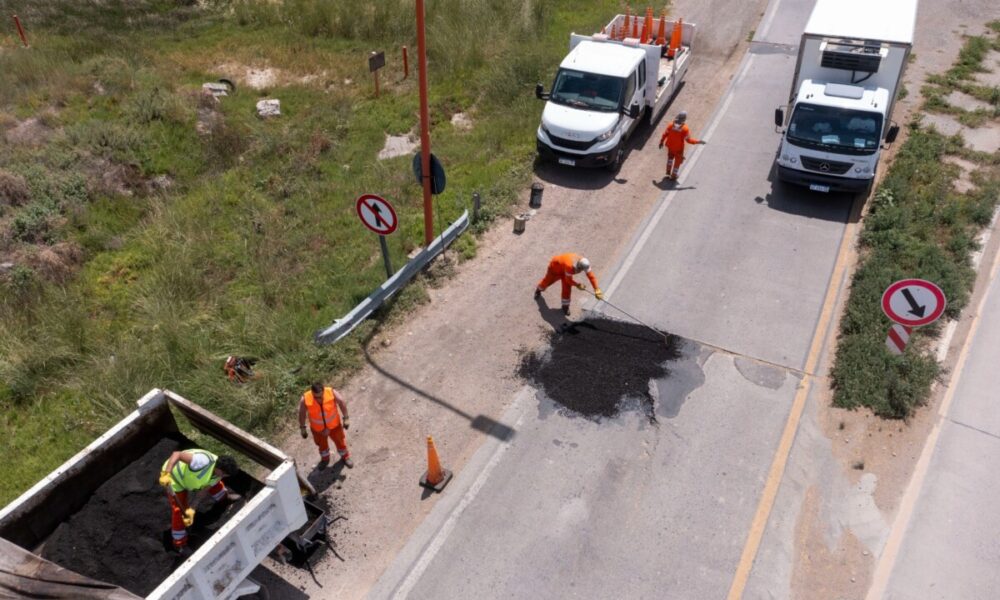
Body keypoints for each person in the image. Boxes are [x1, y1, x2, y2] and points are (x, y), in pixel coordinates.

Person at [159, 450, 240, 551]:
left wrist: (192, 509)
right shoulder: (201, 461)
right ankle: (179, 542)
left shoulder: (218, 473)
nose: (223, 476)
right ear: (219, 468)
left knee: (215, 485)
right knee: (179, 511)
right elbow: (177, 454)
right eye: (223, 474)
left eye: (225, 475)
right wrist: (166, 473)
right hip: (174, 478)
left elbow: (202, 492)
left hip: (192, 481)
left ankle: (225, 498)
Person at [299, 382, 353, 469]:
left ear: (323, 391)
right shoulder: (305, 398)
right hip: (318, 429)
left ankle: (345, 457)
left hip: (334, 426)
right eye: (315, 397)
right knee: (322, 446)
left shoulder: (331, 392)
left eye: (320, 396)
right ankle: (325, 459)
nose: (318, 399)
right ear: (312, 393)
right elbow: (302, 413)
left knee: (340, 442)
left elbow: (342, 402)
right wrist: (302, 427)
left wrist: (346, 418)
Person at [535, 253, 603, 316]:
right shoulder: (570, 266)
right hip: (555, 268)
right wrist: (577, 285)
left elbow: (591, 277)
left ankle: (565, 306)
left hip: (564, 269)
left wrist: (597, 289)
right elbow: (568, 281)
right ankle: (539, 289)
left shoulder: (584, 262)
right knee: (547, 282)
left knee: (567, 288)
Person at [658, 110, 706, 180]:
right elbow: (688, 140)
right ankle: (674, 176)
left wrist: (661, 142)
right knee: (677, 162)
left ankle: (668, 171)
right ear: (684, 119)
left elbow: (665, 134)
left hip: (670, 146)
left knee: (670, 159)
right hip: (678, 149)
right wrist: (698, 142)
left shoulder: (671, 125)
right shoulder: (685, 129)